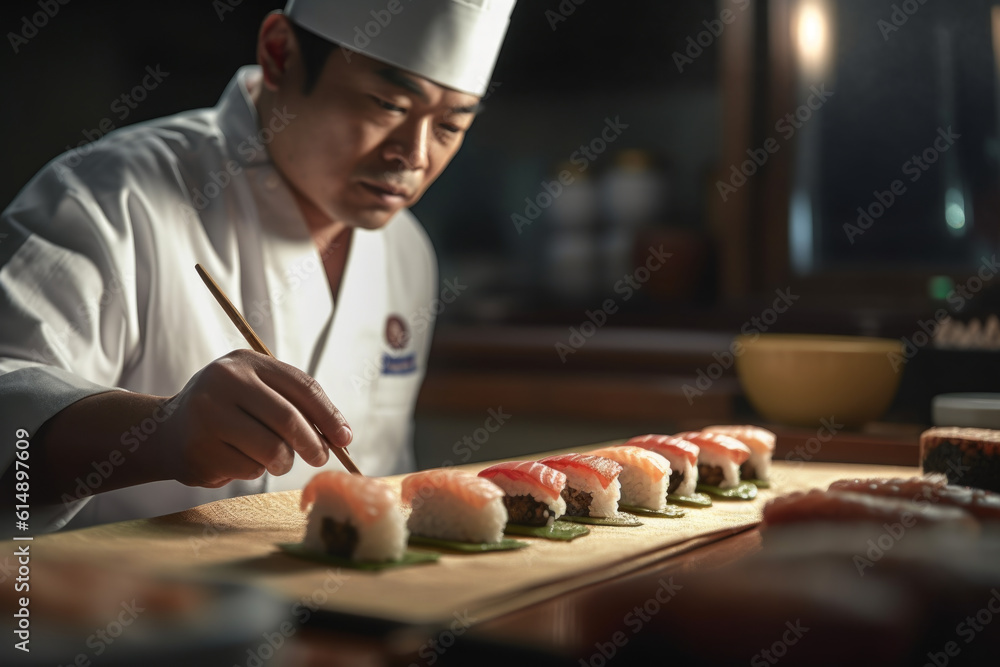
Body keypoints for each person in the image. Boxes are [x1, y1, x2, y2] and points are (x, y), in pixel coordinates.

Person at [0, 0, 517, 532]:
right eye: (387, 104)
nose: (414, 155)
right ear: (279, 54)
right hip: (126, 606)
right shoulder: (110, 198)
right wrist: (159, 432)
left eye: (450, 127)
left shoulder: (407, 251)